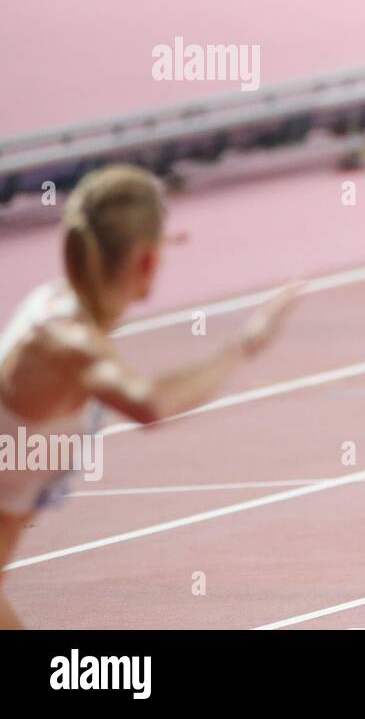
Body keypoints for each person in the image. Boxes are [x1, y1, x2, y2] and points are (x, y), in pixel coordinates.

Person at [0, 165, 297, 629]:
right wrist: (243, 347)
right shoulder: (68, 341)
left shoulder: (60, 312)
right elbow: (150, 404)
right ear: (146, 262)